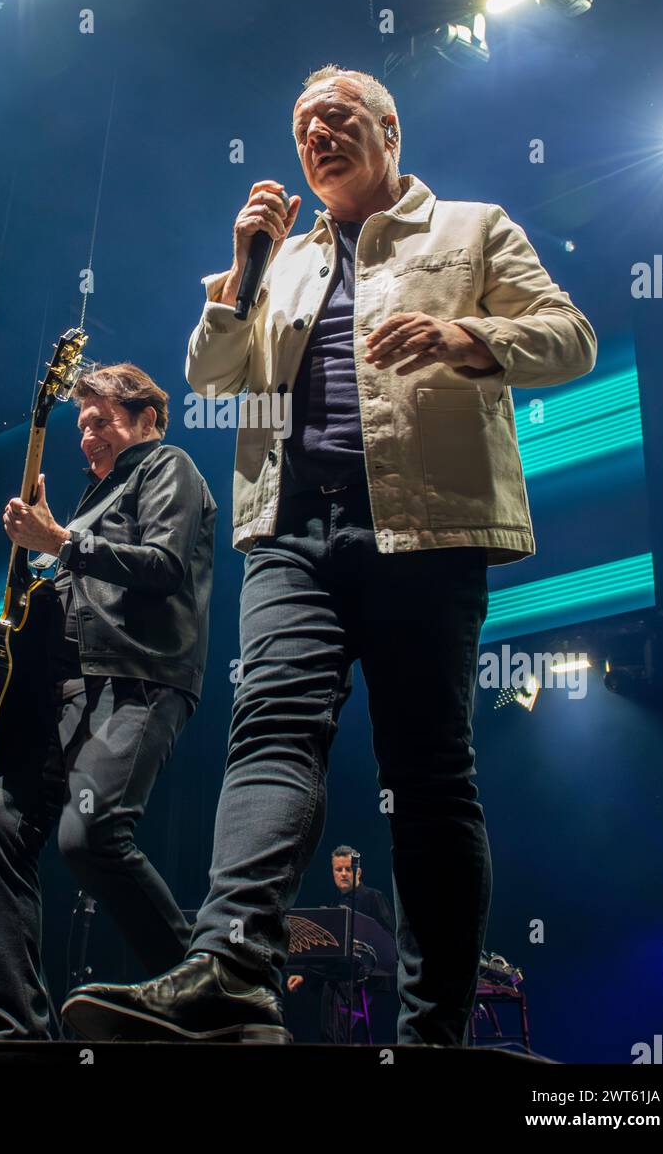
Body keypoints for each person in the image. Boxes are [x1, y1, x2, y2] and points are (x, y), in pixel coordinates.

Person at [60, 64, 596, 1046]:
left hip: (425, 528)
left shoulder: (471, 227)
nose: (313, 135)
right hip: (288, 532)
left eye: (334, 117)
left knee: (428, 770)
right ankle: (228, 975)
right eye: (300, 125)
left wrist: (464, 334)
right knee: (266, 732)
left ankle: (433, 1026)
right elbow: (207, 377)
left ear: (387, 127)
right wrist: (244, 267)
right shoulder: (283, 260)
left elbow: (568, 339)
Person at [0, 363, 216, 1038]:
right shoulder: (87, 503)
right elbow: (65, 610)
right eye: (80, 425)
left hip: (139, 680)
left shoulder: (169, 467)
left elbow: (163, 565)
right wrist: (11, 656)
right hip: (69, 696)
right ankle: (18, 1030)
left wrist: (59, 540)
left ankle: (207, 993)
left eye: (99, 421)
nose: (86, 438)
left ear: (144, 419)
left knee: (91, 832)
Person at [288, 845, 397, 1042]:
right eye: (339, 869)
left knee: (336, 1017)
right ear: (333, 872)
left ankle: (333, 1043)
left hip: (366, 977)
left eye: (348, 869)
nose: (344, 874)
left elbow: (389, 939)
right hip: (339, 976)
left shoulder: (373, 897)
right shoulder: (334, 906)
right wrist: (303, 974)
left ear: (359, 872)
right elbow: (326, 952)